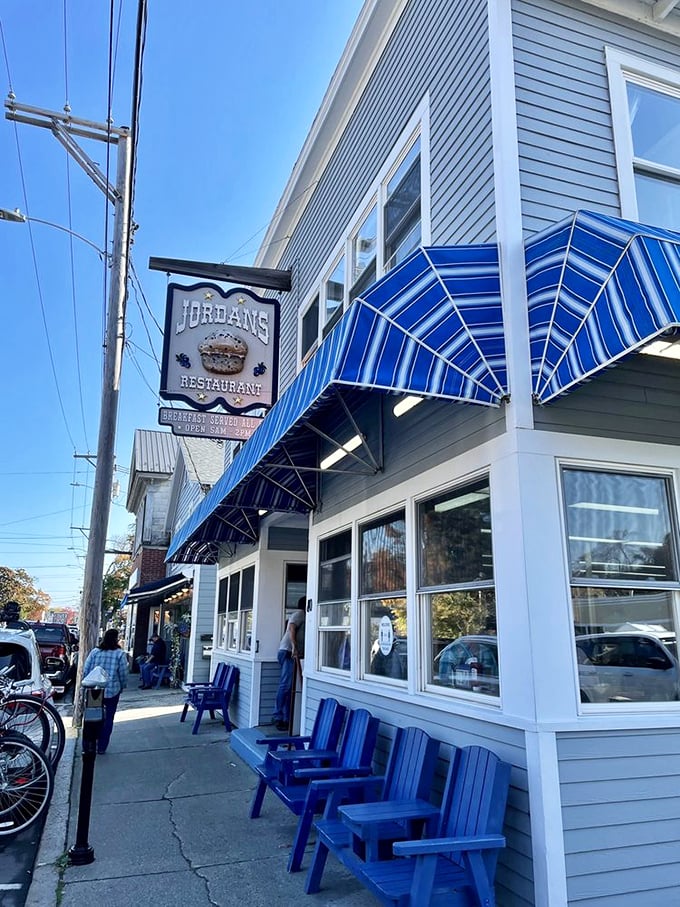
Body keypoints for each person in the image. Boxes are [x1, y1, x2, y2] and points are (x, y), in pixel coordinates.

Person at [82, 628, 128, 754]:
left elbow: (86, 670)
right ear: (116, 639)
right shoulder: (119, 654)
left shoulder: (95, 652)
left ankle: (88, 745)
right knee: (108, 719)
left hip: (94, 690)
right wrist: (123, 686)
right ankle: (101, 746)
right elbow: (123, 673)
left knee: (91, 718)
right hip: (112, 690)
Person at [272, 597, 306, 731]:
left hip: (292, 652)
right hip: (288, 652)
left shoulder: (306, 617)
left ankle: (287, 718)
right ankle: (277, 716)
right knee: (286, 685)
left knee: (290, 686)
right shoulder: (299, 615)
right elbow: (292, 629)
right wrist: (294, 647)